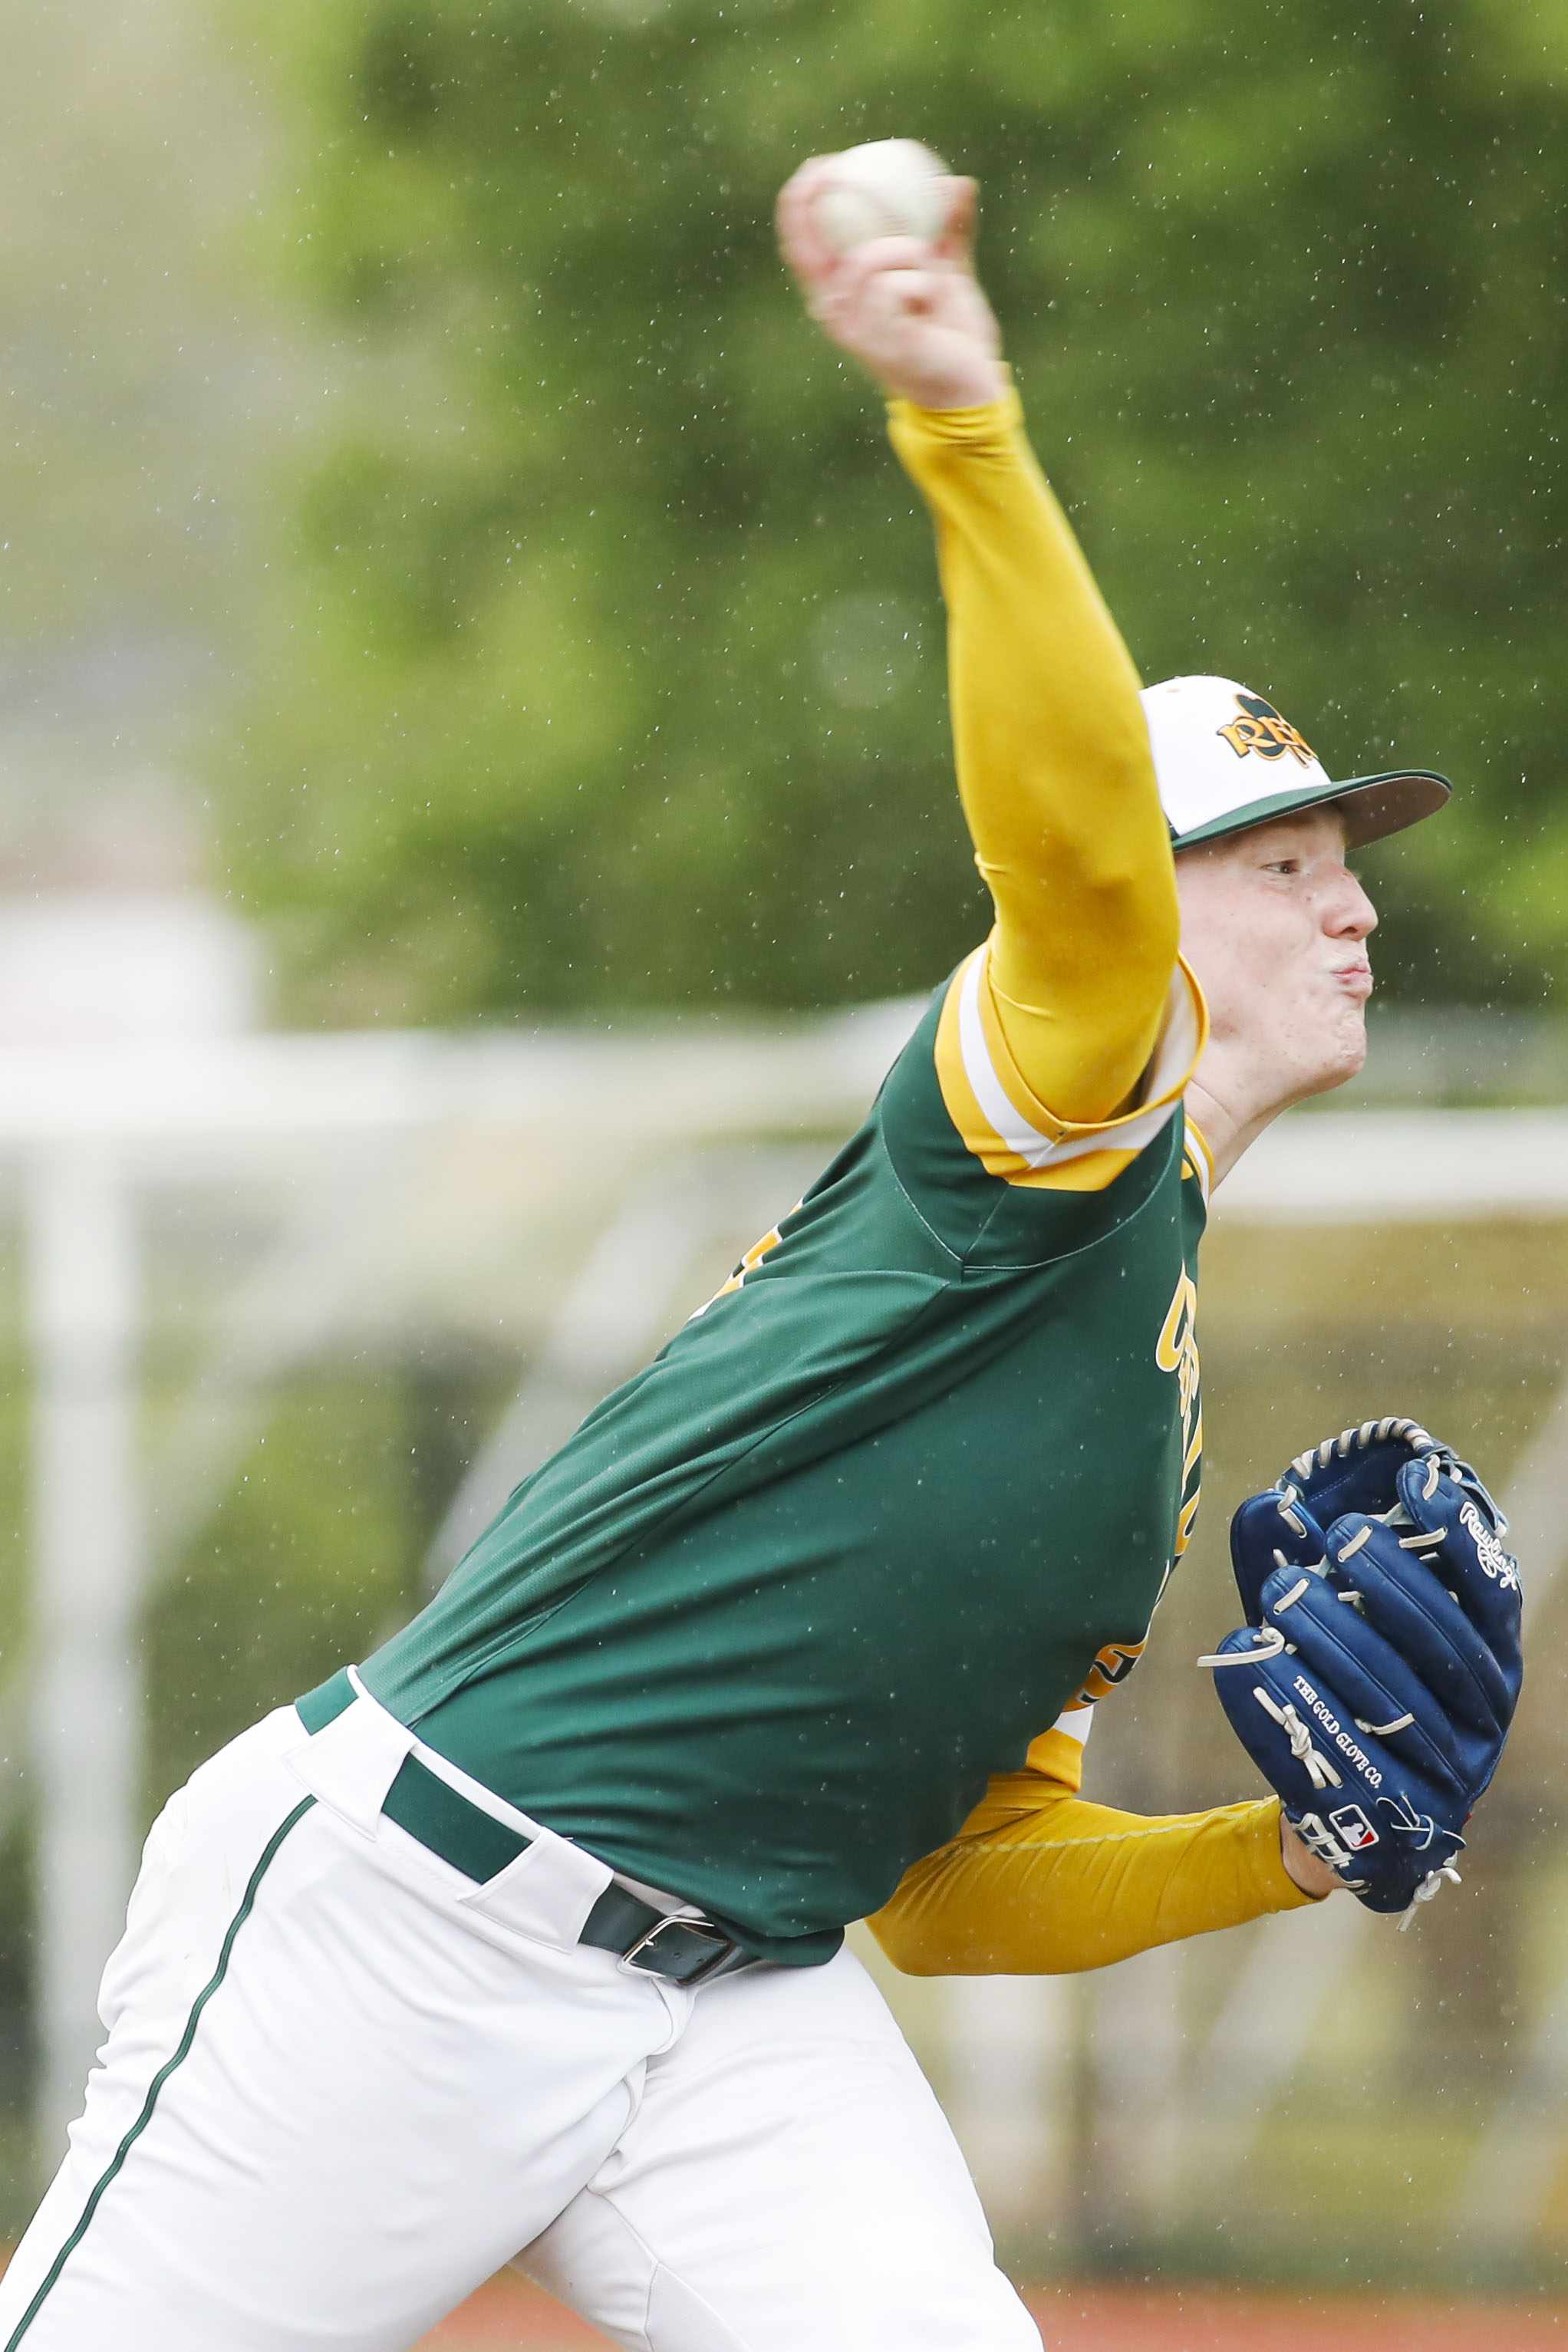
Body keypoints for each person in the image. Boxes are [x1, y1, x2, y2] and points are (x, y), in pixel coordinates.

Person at [0, 158, 1466, 2352]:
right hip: (407, 1928)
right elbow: (1066, 855)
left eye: (1341, 853)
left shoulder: (1140, 1368)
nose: (1345, 897)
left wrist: (1286, 1850)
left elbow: (959, 1886)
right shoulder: (1048, 1116)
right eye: (1272, 860)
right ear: (1151, 913)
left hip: (727, 2010)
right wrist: (961, 422)